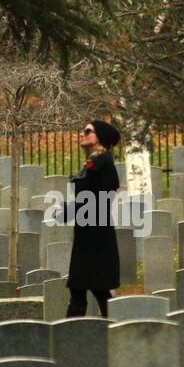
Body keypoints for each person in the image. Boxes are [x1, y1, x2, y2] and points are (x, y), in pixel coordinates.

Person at [65, 119, 121, 317]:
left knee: (92, 290)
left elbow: (98, 202)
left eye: (88, 131)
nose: (82, 133)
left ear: (100, 138)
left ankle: (67, 337)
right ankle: (70, 337)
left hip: (96, 239)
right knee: (86, 290)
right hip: (87, 237)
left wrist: (70, 211)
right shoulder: (94, 164)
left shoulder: (103, 166)